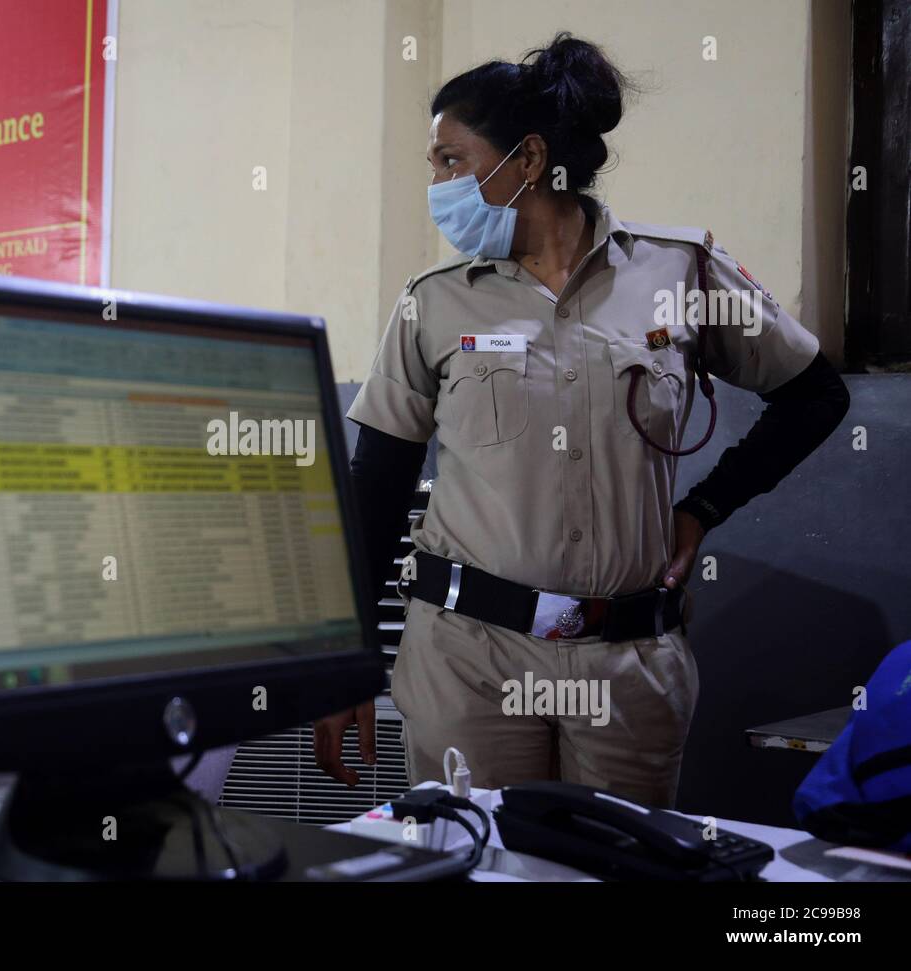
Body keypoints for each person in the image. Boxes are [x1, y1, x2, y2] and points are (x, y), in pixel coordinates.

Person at [313, 33, 850, 807]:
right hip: (469, 659)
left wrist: (702, 510)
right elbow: (378, 485)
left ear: (527, 161)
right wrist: (347, 662)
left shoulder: (681, 271)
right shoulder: (432, 300)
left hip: (628, 664)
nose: (435, 185)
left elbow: (815, 396)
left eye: (451, 162)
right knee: (480, 860)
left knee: (618, 865)